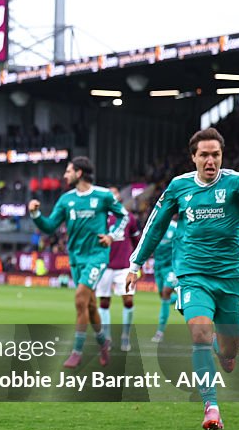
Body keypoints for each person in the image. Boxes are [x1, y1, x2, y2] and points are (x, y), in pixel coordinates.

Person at [127, 128, 239, 430]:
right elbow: (155, 225)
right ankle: (211, 407)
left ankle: (225, 354)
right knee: (199, 334)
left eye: (216, 155)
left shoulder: (236, 183)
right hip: (192, 273)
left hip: (231, 276)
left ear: (222, 156)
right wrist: (136, 262)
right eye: (204, 155)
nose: (210, 160)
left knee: (229, 349)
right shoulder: (179, 187)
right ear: (193, 157)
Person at [29, 157, 128, 369]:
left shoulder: (103, 195)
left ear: (79, 173)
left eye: (68, 171)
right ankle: (103, 343)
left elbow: (124, 216)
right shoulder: (66, 200)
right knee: (90, 306)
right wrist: (35, 214)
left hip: (97, 256)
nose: (65, 175)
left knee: (79, 299)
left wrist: (112, 235)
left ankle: (76, 352)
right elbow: (49, 226)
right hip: (76, 259)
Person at [95, 187, 140, 352]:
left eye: (115, 193)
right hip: (104, 267)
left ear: (119, 197)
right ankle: (106, 337)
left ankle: (125, 336)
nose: (113, 195)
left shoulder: (129, 217)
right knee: (104, 302)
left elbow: (137, 241)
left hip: (124, 267)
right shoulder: (99, 217)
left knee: (128, 301)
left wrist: (137, 263)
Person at [150, 217, 179, 343]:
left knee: (166, 292)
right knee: (163, 296)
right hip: (158, 266)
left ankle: (160, 332)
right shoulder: (158, 226)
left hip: (172, 267)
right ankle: (183, 299)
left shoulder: (177, 228)